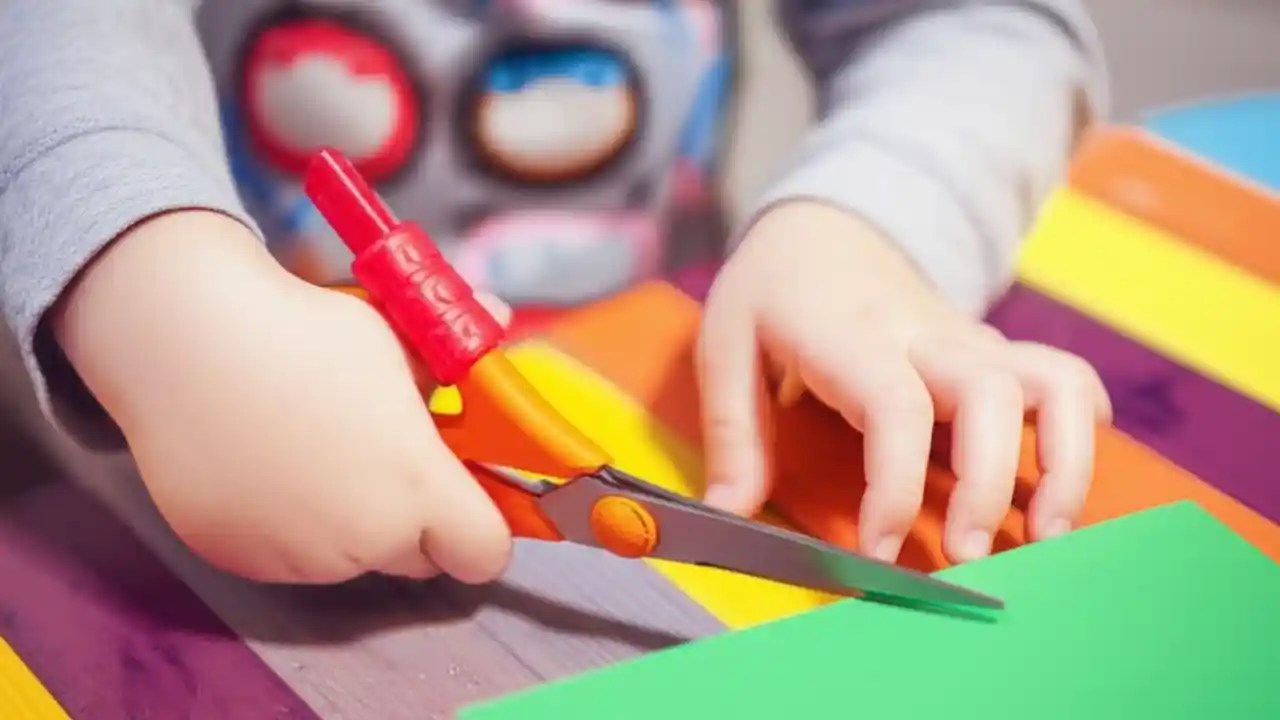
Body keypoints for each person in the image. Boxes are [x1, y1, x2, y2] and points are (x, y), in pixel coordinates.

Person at [0, 0, 1112, 586]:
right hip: (163, 457)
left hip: (643, 404)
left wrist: (869, 229)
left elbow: (972, 19)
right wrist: (149, 282)